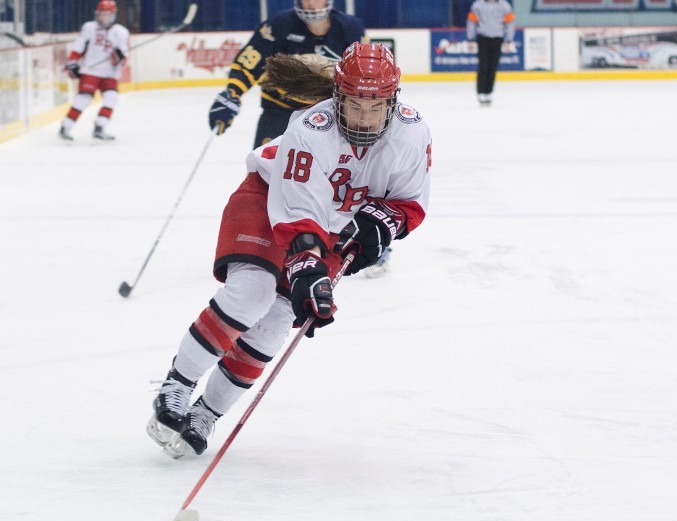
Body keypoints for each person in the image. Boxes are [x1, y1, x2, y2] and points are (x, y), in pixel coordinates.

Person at [147, 43, 431, 458]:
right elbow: (297, 214)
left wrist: (382, 223)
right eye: (355, 106)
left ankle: (206, 412)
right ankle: (178, 383)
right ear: (338, 97)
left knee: (279, 320)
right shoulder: (310, 128)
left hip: (331, 225)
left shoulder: (412, 132)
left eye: (376, 108)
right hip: (267, 201)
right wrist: (310, 268)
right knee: (254, 293)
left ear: (393, 101)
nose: (365, 119)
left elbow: (410, 202)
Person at [208, 0, 365, 150]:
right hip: (279, 111)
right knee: (263, 172)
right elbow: (249, 62)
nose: (310, 3)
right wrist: (232, 93)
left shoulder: (351, 28)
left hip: (329, 113)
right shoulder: (278, 25)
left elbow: (362, 72)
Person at [58, 0, 129, 142]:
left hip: (110, 73)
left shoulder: (121, 32)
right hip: (91, 70)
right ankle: (66, 126)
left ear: (113, 15)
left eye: (106, 14)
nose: (103, 17)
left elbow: (124, 57)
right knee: (83, 99)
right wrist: (73, 62)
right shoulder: (89, 27)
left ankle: (100, 127)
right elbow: (78, 47)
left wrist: (118, 57)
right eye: (101, 14)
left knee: (111, 98)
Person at [466, 0, 515, 106]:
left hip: (497, 38)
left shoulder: (504, 5)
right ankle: (481, 92)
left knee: (493, 66)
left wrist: (508, 40)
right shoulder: (478, 5)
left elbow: (510, 23)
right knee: (483, 65)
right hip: (483, 38)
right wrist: (470, 38)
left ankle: (488, 92)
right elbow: (471, 22)